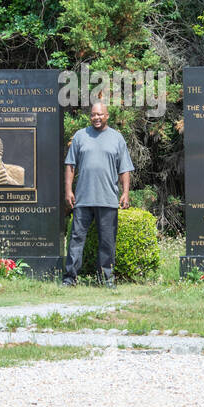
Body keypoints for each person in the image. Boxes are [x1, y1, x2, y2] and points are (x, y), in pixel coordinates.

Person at [63, 101, 134, 288]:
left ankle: (106, 279)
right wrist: (68, 190)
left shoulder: (117, 138)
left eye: (100, 114)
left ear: (107, 116)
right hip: (83, 199)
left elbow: (124, 169)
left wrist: (125, 193)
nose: (96, 117)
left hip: (108, 199)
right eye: (93, 114)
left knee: (107, 242)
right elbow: (70, 165)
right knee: (76, 240)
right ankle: (70, 278)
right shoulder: (80, 136)